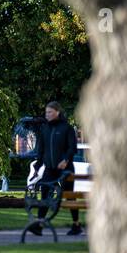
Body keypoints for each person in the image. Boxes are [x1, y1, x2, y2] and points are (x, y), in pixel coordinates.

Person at [28, 100, 79, 236]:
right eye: (46, 112)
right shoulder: (45, 129)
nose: (47, 115)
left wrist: (65, 160)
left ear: (57, 112)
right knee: (44, 194)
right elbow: (41, 151)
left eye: (50, 112)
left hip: (65, 168)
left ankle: (76, 225)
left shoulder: (67, 128)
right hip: (50, 169)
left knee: (69, 196)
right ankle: (39, 225)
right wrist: (37, 167)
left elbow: (72, 148)